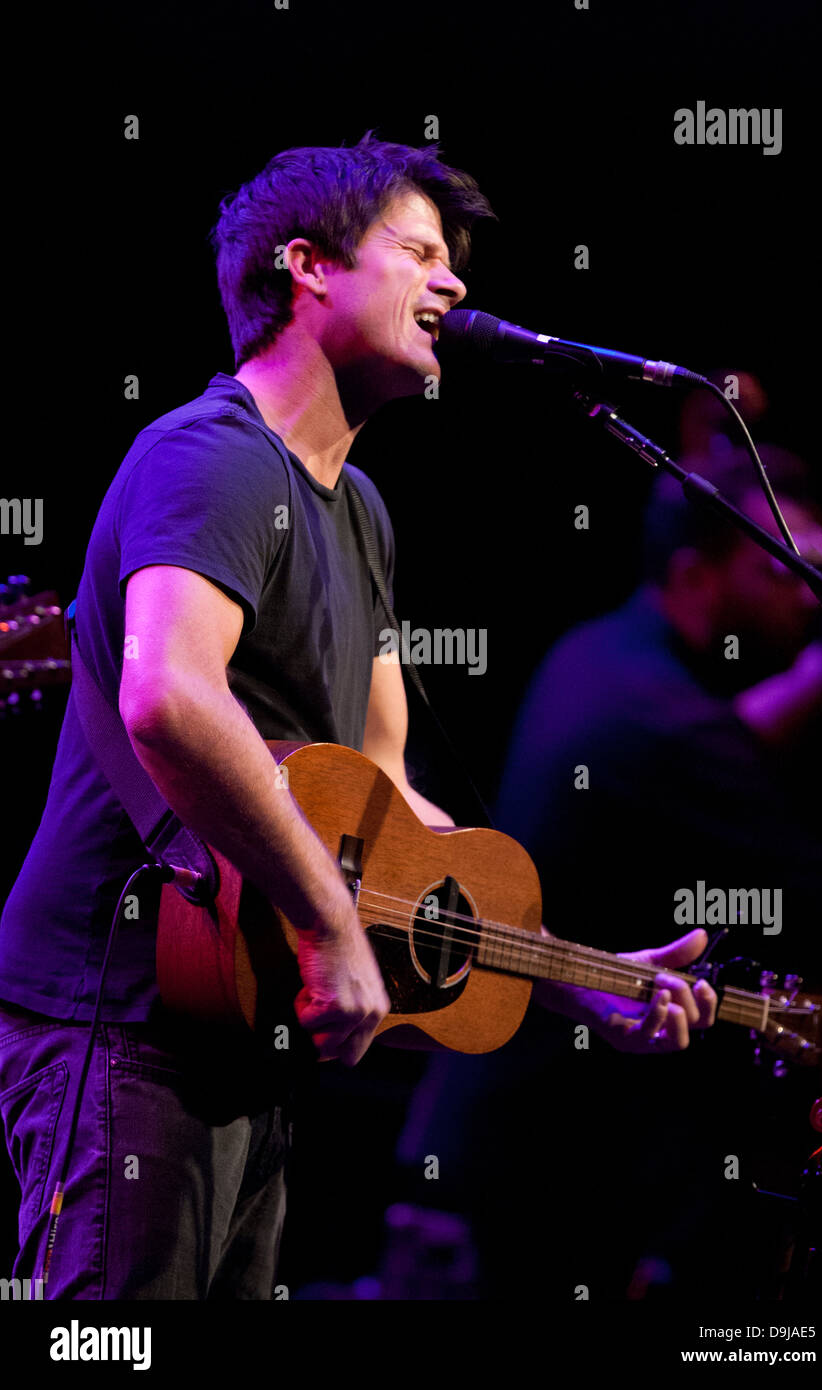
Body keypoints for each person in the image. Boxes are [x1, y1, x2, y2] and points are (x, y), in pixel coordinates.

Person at [0, 133, 716, 1301]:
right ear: (307, 267)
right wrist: (334, 927)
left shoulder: (362, 512)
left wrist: (569, 971)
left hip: (238, 1025)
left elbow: (382, 800)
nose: (455, 284)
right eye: (418, 252)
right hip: (123, 1020)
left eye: (455, 263)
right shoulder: (208, 455)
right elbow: (167, 695)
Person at [396, 446, 822, 1299]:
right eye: (783, 567)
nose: (809, 589)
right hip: (522, 1182)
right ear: (696, 574)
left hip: (508, 1157)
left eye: (820, 568)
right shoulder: (657, 721)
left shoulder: (604, 655)